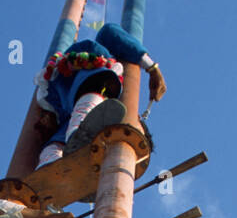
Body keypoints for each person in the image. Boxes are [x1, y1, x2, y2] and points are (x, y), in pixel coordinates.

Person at [33, 22, 165, 168]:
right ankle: (79, 135)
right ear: (138, 119)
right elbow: (108, 32)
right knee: (104, 82)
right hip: (82, 71)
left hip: (65, 105)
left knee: (58, 142)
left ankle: (49, 163)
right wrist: (152, 68)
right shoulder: (107, 74)